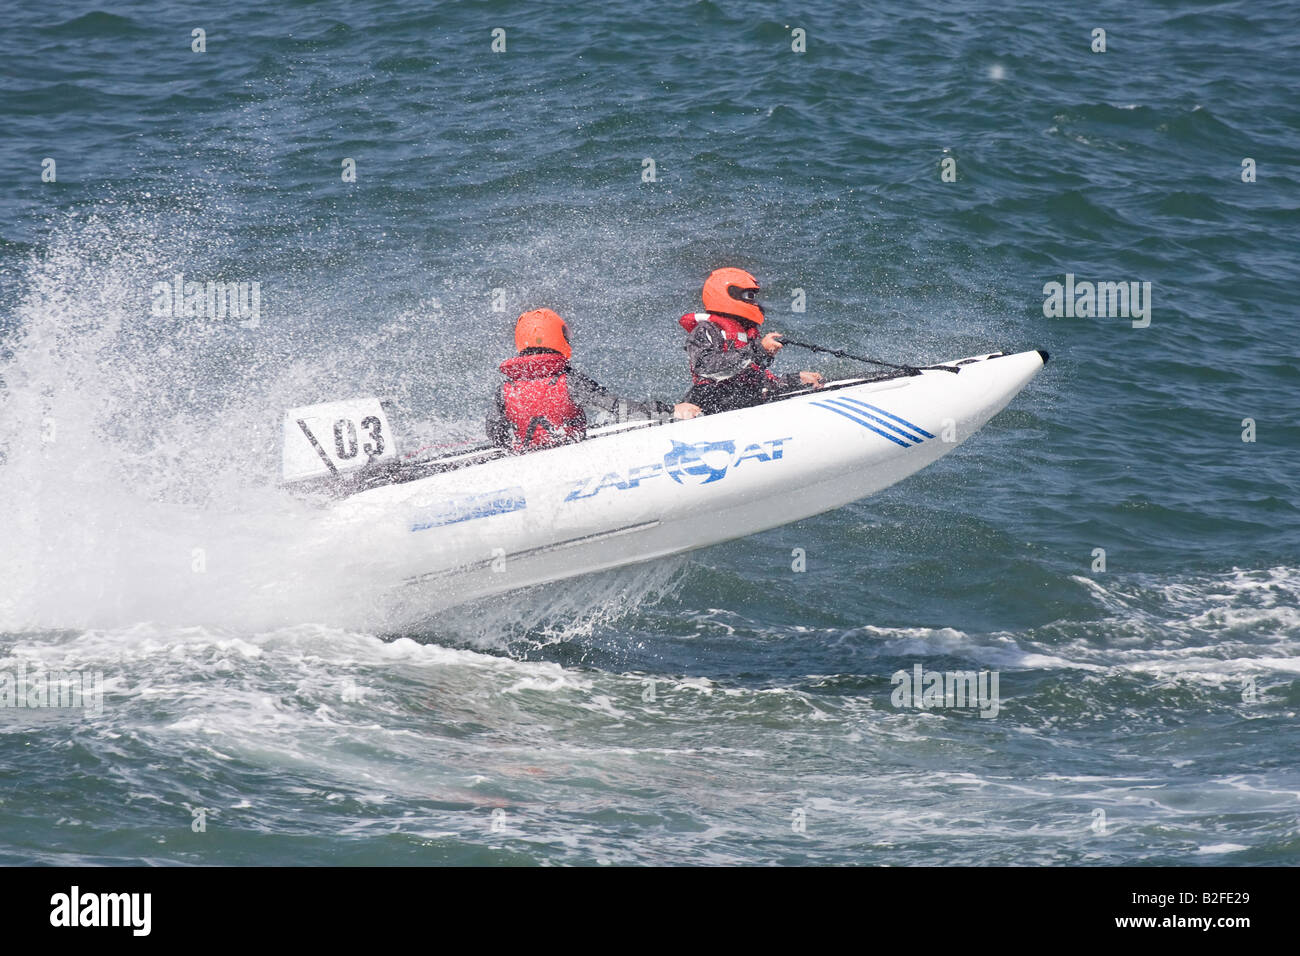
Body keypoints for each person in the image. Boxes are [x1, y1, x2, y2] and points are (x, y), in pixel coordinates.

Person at [487, 308, 701, 453]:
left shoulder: (505, 389)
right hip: (568, 461)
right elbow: (621, 409)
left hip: (527, 462)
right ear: (558, 337)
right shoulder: (569, 381)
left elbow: (496, 435)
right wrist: (670, 410)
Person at [679, 268, 823, 415]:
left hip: (744, 401)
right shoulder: (706, 330)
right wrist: (756, 349)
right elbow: (705, 367)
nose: (754, 302)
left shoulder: (746, 333)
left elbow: (758, 379)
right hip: (710, 403)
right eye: (749, 296)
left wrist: (794, 380)